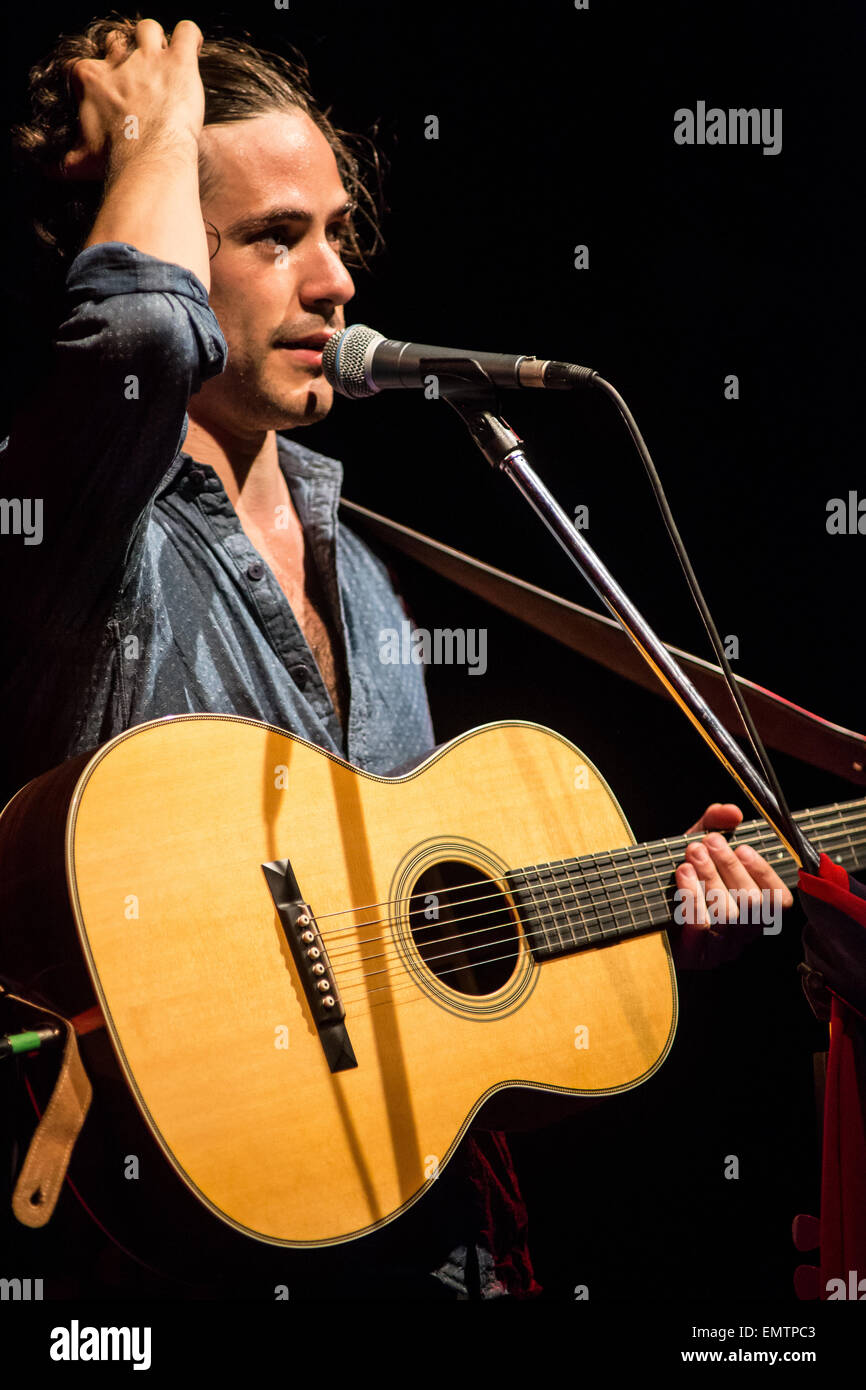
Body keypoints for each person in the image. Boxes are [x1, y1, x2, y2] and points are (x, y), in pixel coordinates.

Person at [0, 16, 794, 1300]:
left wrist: (649, 931)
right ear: (153, 242)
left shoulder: (358, 567)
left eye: (335, 234)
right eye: (274, 237)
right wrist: (150, 130)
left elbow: (420, 1040)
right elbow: (140, 347)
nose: (335, 282)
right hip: (149, 1269)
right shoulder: (71, 520)